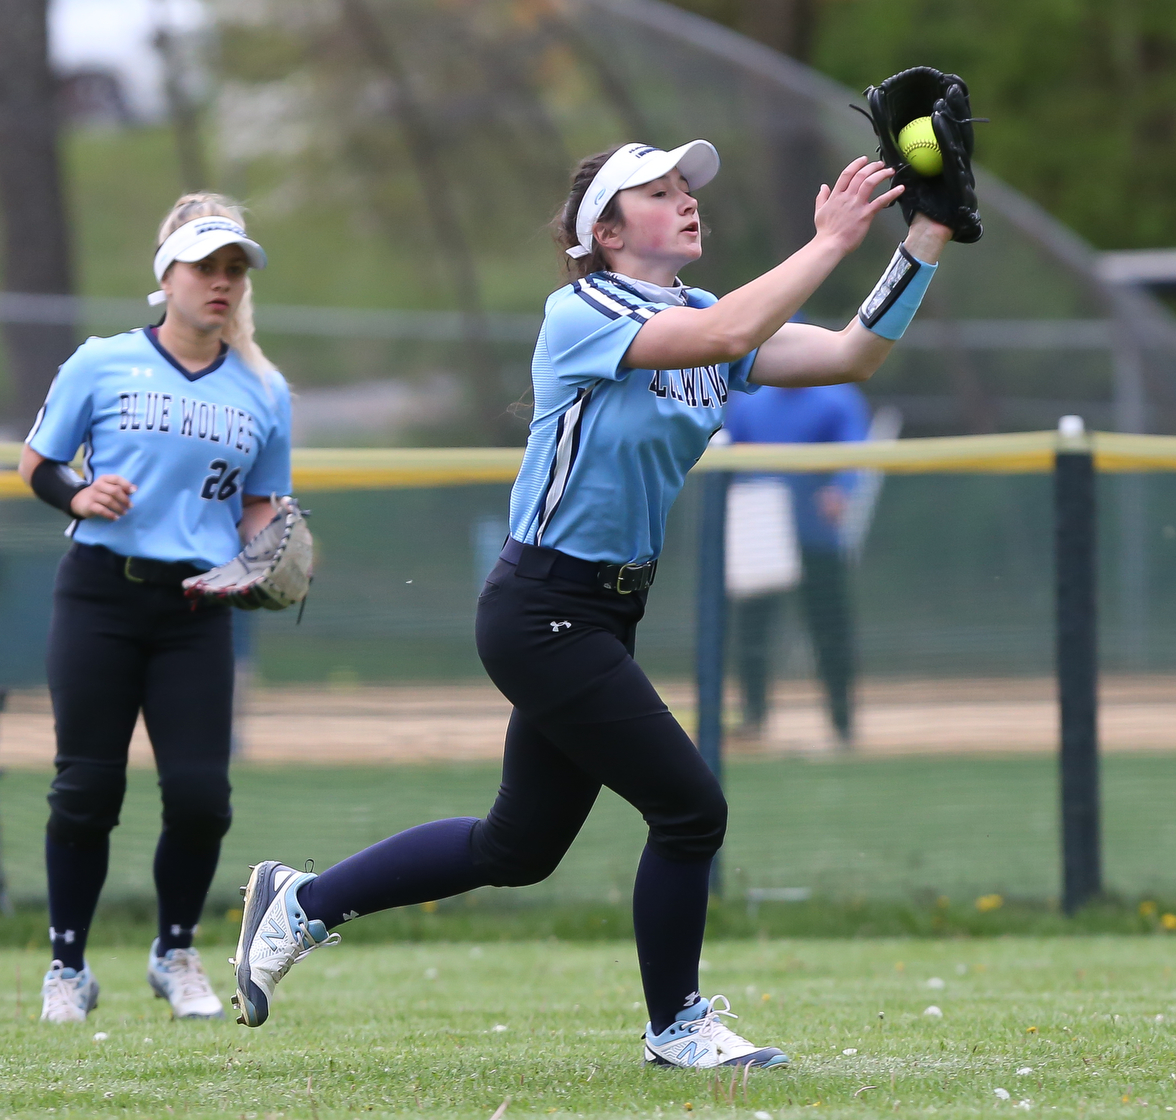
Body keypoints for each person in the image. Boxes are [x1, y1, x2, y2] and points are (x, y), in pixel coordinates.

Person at [228, 140, 953, 1069]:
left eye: (687, 187)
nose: (686, 199)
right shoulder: (581, 310)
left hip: (603, 614)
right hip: (541, 609)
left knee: (515, 848)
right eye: (659, 191)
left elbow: (853, 353)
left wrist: (923, 235)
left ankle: (302, 902)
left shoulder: (700, 312)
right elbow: (730, 336)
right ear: (603, 231)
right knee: (691, 811)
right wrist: (833, 241)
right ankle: (676, 1026)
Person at [17, 193, 292, 1023]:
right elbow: (37, 463)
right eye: (205, 267)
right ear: (165, 276)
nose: (221, 283)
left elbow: (260, 504)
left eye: (234, 270)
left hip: (198, 611)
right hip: (101, 593)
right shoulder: (103, 361)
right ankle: (66, 966)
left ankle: (176, 951)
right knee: (86, 792)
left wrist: (269, 545)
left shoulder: (262, 391)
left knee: (203, 795)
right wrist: (79, 491)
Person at [725, 382, 870, 748]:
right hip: (761, 535)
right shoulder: (749, 401)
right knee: (752, 630)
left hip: (816, 536)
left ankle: (842, 725)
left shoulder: (836, 399)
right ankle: (753, 721)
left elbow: (853, 449)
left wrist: (842, 488)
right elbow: (725, 450)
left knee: (830, 631)